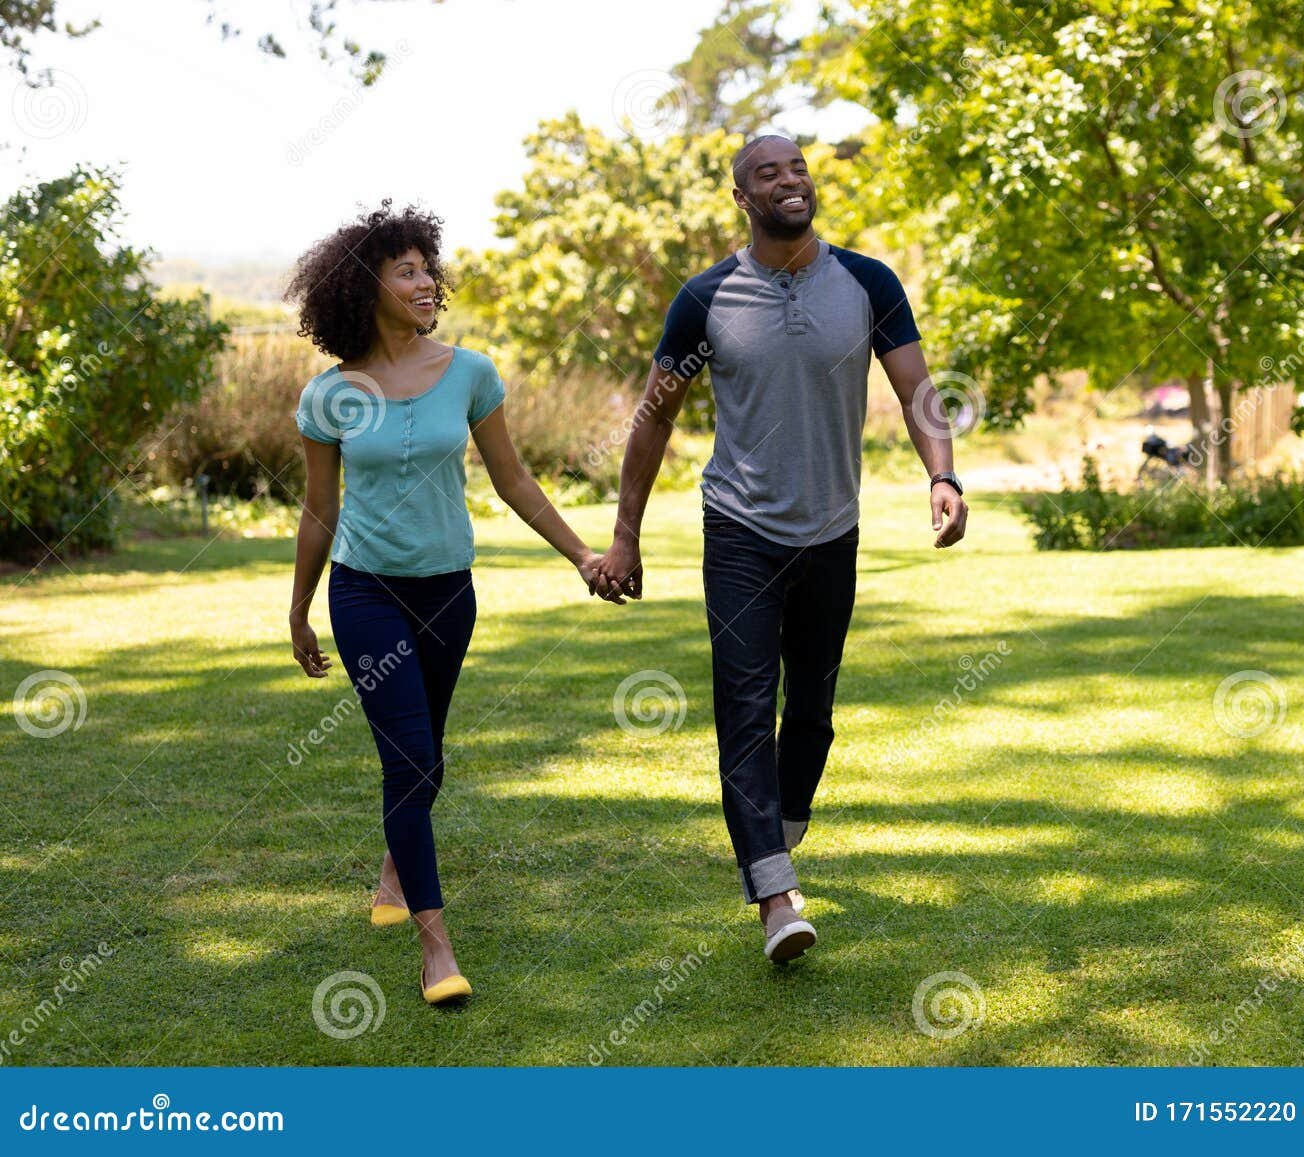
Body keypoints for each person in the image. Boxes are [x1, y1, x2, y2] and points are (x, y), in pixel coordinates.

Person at [595, 136, 969, 963]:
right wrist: (625, 534)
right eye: (768, 172)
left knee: (812, 713)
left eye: (797, 167)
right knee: (743, 707)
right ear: (741, 197)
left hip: (832, 529)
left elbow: (917, 389)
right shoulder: (706, 298)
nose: (790, 180)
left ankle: (776, 827)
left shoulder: (868, 283)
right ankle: (775, 893)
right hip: (740, 529)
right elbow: (655, 416)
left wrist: (943, 474)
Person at [286, 202, 627, 1006]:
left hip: (448, 592)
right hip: (364, 590)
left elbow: (512, 480)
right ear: (363, 287)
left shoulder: (470, 373)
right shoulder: (328, 396)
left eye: (426, 268)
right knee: (406, 761)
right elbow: (318, 511)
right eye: (405, 270)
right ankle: (437, 948)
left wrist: (581, 552)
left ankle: (396, 864)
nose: (425, 281)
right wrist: (299, 610)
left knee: (427, 754)